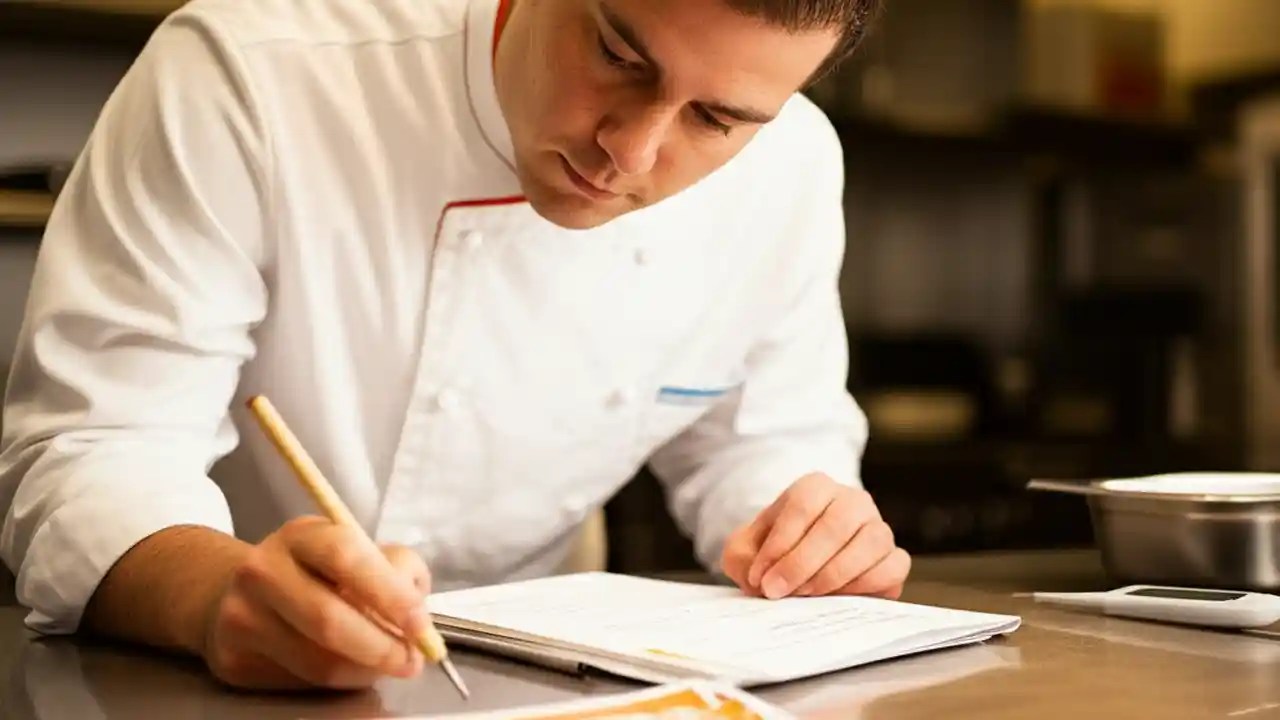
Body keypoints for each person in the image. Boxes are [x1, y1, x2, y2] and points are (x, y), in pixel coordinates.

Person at [0, 0, 908, 692]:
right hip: (199, 679)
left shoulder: (791, 165)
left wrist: (811, 535)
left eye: (716, 120)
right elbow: (96, 457)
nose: (630, 152)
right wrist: (213, 599)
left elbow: (764, 444)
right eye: (616, 54)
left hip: (546, 687)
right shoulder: (253, 70)